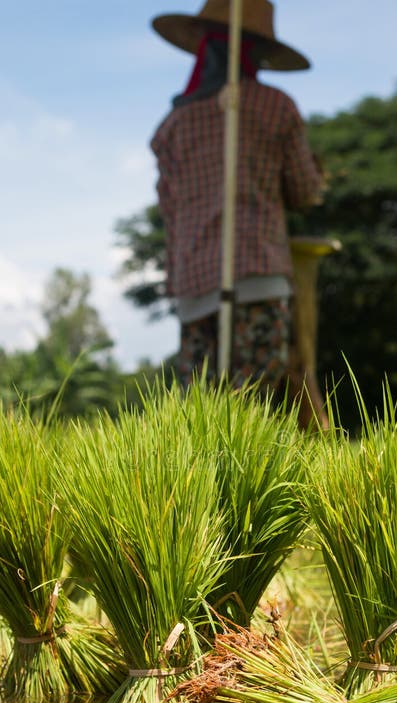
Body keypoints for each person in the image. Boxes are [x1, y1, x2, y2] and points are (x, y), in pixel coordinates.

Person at [150, 0, 325, 404]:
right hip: (257, 272)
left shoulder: (172, 126)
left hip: (193, 281)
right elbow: (304, 190)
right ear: (254, 52)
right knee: (253, 398)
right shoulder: (276, 107)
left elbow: (168, 209)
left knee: (202, 402)